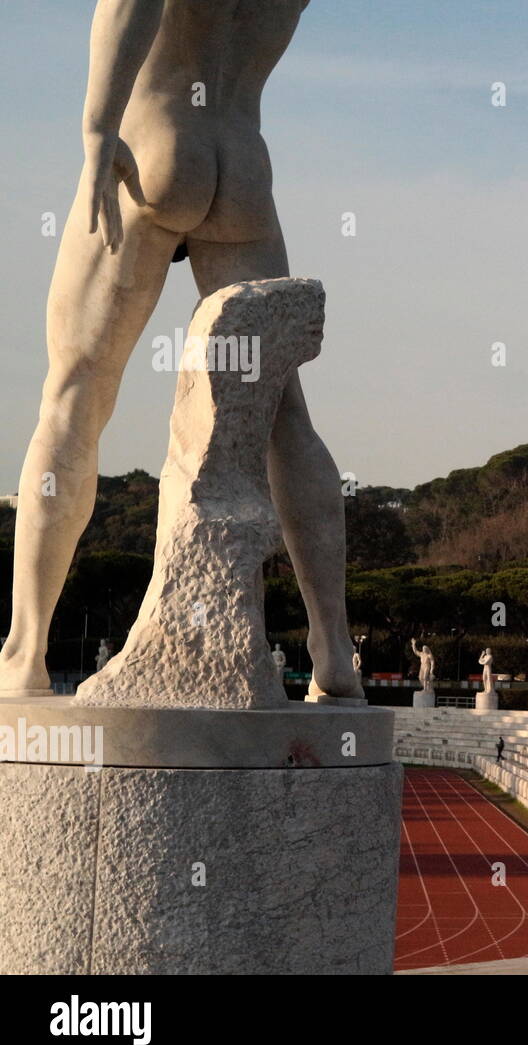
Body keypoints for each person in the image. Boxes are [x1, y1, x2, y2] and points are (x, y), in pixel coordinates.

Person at [0, 0, 361, 702]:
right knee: (286, 417)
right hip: (242, 165)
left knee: (75, 392)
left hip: (153, 140)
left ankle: (25, 652)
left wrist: (97, 121)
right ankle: (334, 648)